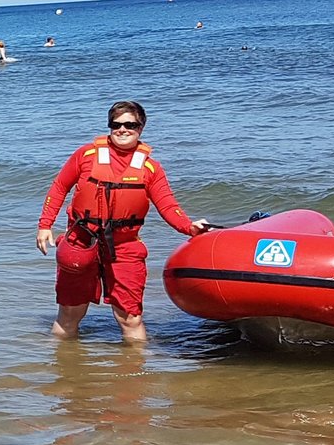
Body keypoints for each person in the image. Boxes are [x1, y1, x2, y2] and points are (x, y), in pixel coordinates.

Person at [36, 102, 208, 344]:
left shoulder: (151, 169)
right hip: (81, 241)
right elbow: (59, 187)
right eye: (116, 125)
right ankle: (65, 374)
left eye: (130, 124)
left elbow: (168, 206)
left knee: (131, 319)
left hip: (124, 246)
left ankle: (135, 377)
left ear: (141, 127)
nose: (123, 130)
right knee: (69, 314)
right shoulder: (85, 155)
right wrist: (45, 225)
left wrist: (190, 227)